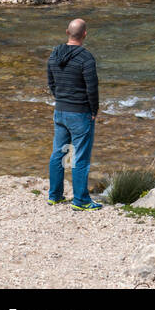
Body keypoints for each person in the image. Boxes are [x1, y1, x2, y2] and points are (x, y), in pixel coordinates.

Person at [47, 18, 101, 210]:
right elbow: (92, 88)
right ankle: (81, 200)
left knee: (58, 153)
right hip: (80, 112)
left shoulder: (54, 54)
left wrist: (60, 98)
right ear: (84, 34)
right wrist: (94, 110)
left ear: (67, 32)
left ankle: (54, 195)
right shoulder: (86, 58)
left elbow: (51, 81)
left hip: (60, 110)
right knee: (80, 157)